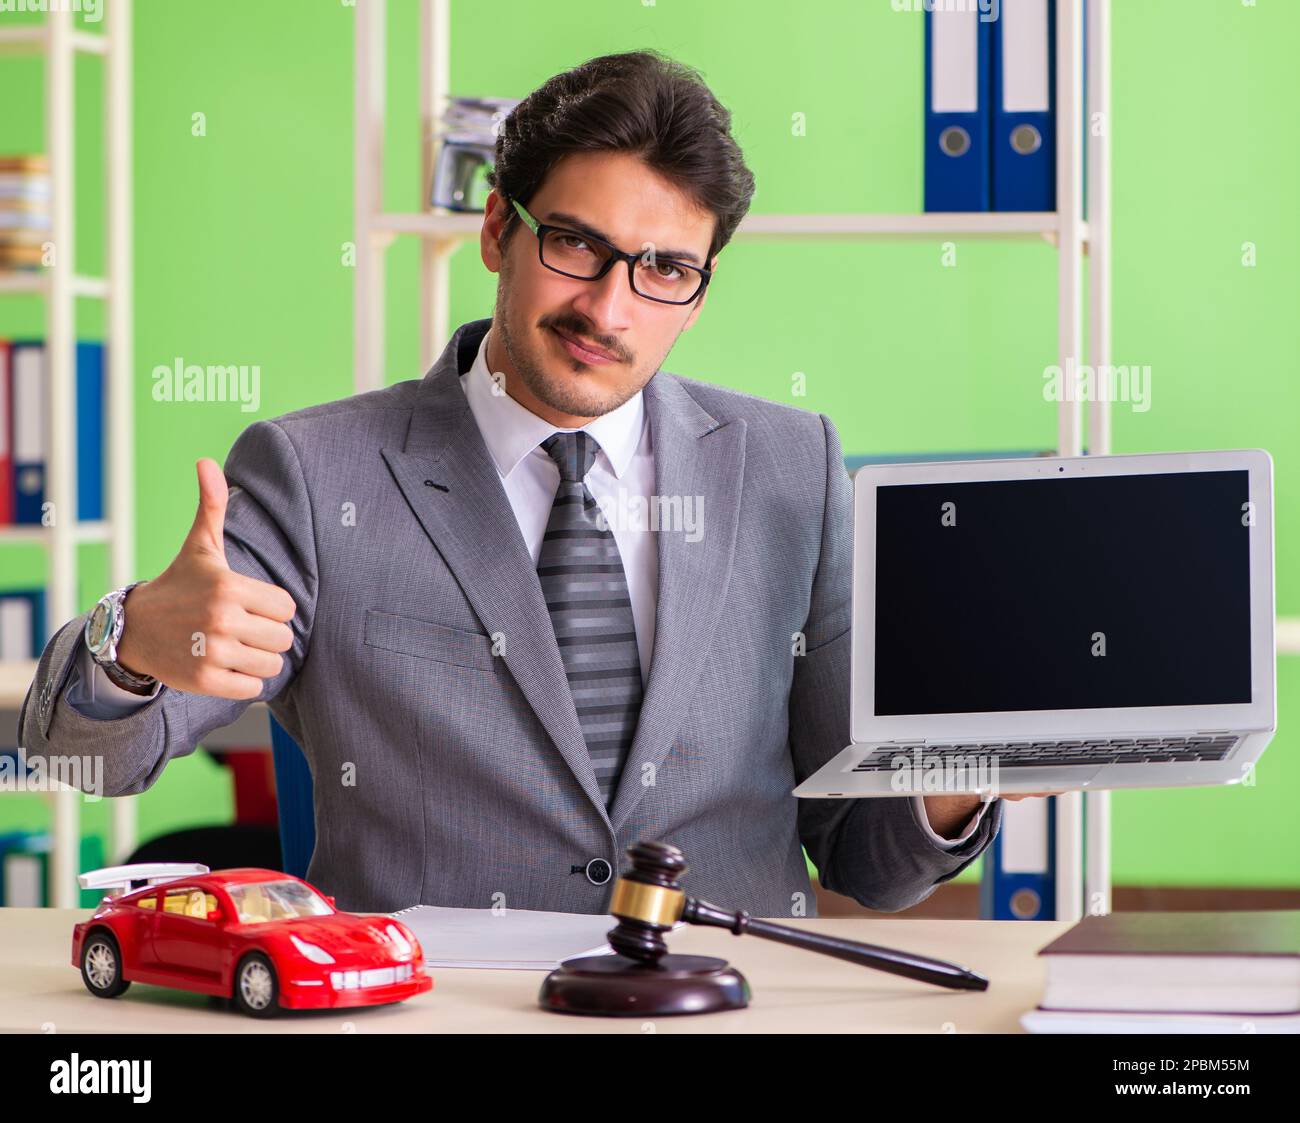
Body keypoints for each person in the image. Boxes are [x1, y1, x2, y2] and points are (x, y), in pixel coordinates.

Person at [20, 50, 1021, 916]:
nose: (610, 308)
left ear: (699, 290)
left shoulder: (792, 464)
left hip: (726, 1003)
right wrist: (133, 639)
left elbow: (867, 862)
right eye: (576, 244)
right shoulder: (316, 473)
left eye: (665, 269)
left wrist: (964, 769)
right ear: (498, 227)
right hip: (435, 1011)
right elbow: (82, 758)